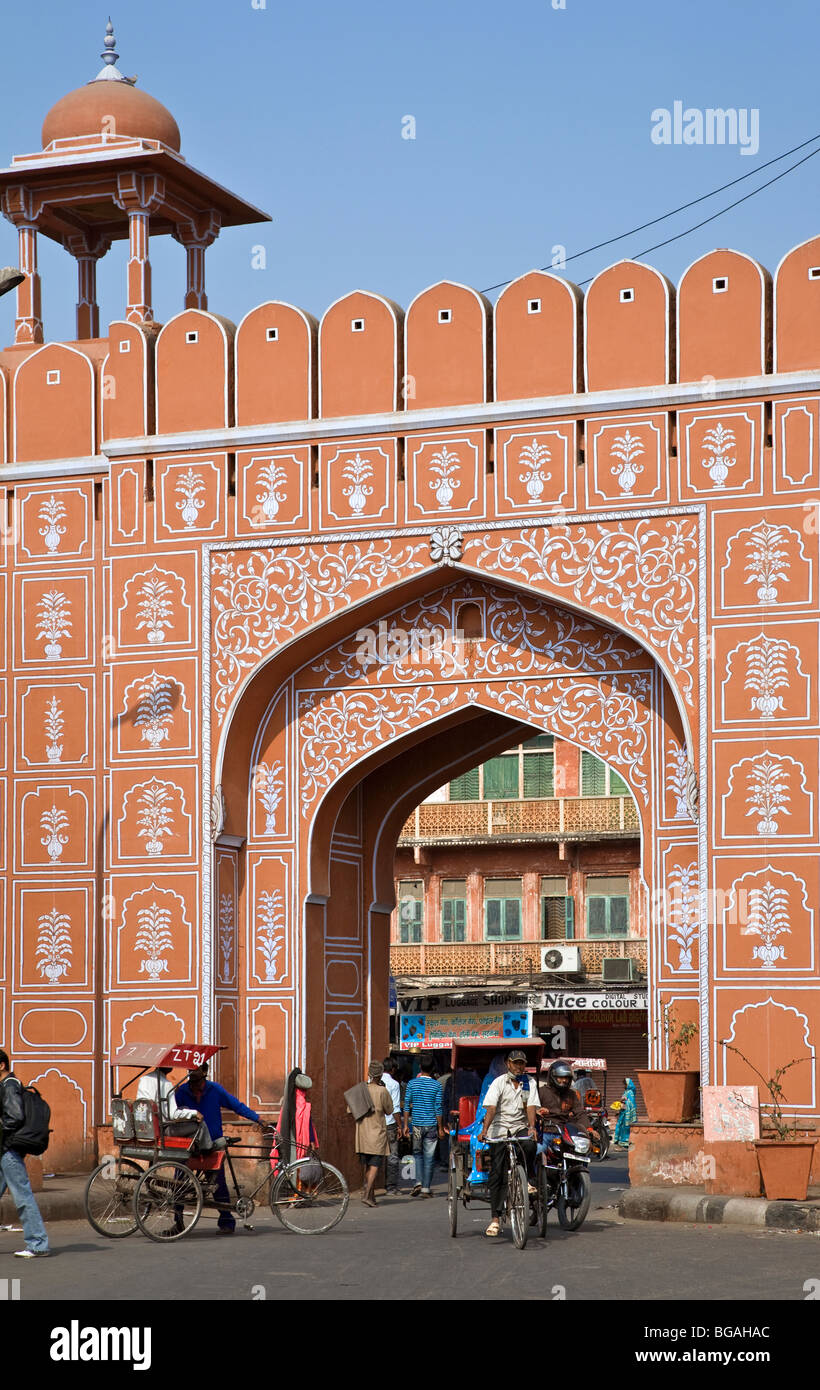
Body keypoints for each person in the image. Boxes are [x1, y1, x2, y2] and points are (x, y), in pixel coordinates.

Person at [174, 1062, 261, 1233]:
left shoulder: (215, 1090)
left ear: (205, 1071)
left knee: (218, 1182)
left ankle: (227, 1222)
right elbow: (173, 1113)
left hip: (212, 1144)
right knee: (179, 1181)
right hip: (189, 1144)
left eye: (196, 1069)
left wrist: (257, 1119)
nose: (192, 1073)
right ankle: (177, 1221)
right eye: (190, 1070)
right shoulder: (182, 1092)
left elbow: (236, 1106)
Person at [477, 1049, 538, 1238]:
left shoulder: (529, 1082)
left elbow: (530, 1106)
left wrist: (532, 1127)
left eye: (522, 1063)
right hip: (499, 1128)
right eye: (515, 1063)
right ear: (508, 1064)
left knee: (530, 1145)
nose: (519, 1067)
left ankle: (526, 1179)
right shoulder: (498, 1082)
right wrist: (485, 1130)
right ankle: (495, 1219)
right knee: (497, 1172)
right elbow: (492, 1108)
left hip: (519, 1126)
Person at [0, 1050, 50, 1257]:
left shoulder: (9, 1085)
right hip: (4, 1149)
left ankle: (38, 1243)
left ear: (1, 1065)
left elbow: (14, 1116)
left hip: (9, 1150)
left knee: (22, 1196)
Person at [135, 1065, 213, 1152]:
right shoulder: (166, 1084)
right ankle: (208, 1149)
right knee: (200, 1125)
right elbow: (172, 1114)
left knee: (185, 1108)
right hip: (163, 1130)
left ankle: (195, 1149)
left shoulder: (144, 1079)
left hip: (144, 1128)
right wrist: (194, 1113)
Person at [353, 1061, 396, 1207]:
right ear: (380, 1075)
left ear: (369, 1074)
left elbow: (350, 1109)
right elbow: (390, 1110)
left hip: (362, 1133)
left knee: (367, 1165)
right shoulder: (382, 1091)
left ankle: (370, 1196)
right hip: (377, 1132)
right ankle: (366, 1194)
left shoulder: (361, 1089)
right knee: (375, 1165)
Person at [402, 1051, 444, 1197]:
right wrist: (440, 1128)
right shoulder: (436, 1085)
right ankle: (426, 1188)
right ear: (433, 1069)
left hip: (417, 1125)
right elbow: (438, 1108)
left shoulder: (412, 1084)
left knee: (417, 1154)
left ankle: (417, 1182)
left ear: (420, 1067)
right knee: (429, 1157)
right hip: (432, 1125)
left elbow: (407, 1104)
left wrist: (406, 1125)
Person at [539, 1060, 589, 1130]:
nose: (564, 1080)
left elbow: (580, 1112)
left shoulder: (571, 1094)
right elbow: (533, 1111)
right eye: (560, 1077)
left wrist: (589, 1128)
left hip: (567, 1131)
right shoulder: (542, 1092)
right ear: (553, 1077)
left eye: (566, 1078)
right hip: (547, 1130)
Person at [381, 1058, 402, 1194]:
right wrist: (400, 1125)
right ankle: (391, 1187)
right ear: (393, 1069)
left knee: (375, 1155)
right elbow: (395, 1108)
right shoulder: (394, 1084)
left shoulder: (371, 1082)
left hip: (375, 1124)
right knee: (392, 1155)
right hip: (389, 1124)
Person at [613, 1077, 638, 1147]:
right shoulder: (626, 1092)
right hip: (623, 1112)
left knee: (627, 1128)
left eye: (625, 1084)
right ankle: (621, 1142)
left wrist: (625, 1101)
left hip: (628, 1113)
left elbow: (631, 1103)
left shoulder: (630, 1092)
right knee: (621, 1127)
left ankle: (626, 1142)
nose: (623, 1086)